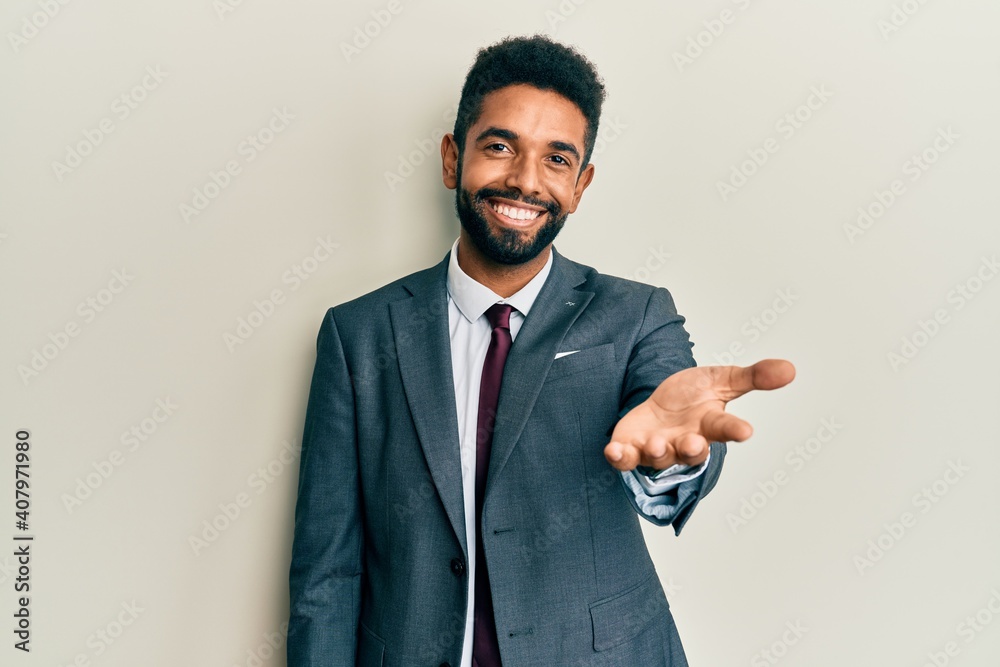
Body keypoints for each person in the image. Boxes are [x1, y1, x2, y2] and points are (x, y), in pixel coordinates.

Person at [287, 34, 795, 667]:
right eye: (500, 147)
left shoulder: (635, 315)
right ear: (452, 159)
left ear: (580, 185)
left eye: (557, 160)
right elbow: (326, 572)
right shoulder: (357, 334)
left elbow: (668, 421)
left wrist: (670, 460)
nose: (525, 182)